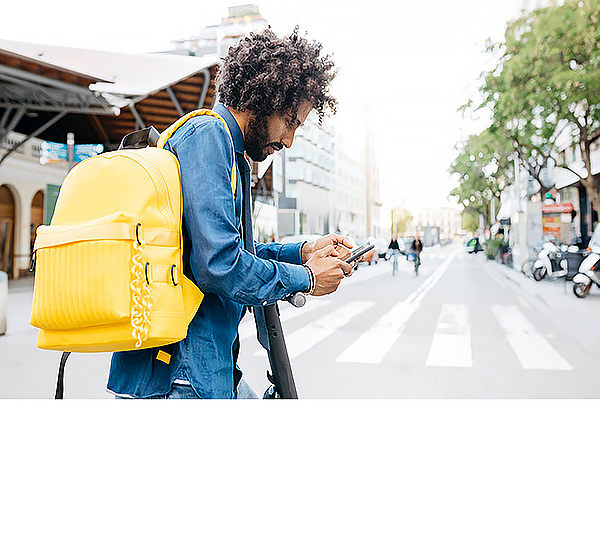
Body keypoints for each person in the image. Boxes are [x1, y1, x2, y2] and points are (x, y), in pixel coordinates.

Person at [107, 28, 353, 399]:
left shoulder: (233, 155)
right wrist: (306, 278)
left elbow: (238, 255)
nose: (289, 141)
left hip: (207, 368)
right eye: (291, 122)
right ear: (266, 97)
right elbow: (218, 264)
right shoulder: (208, 137)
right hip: (178, 375)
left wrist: (305, 251)